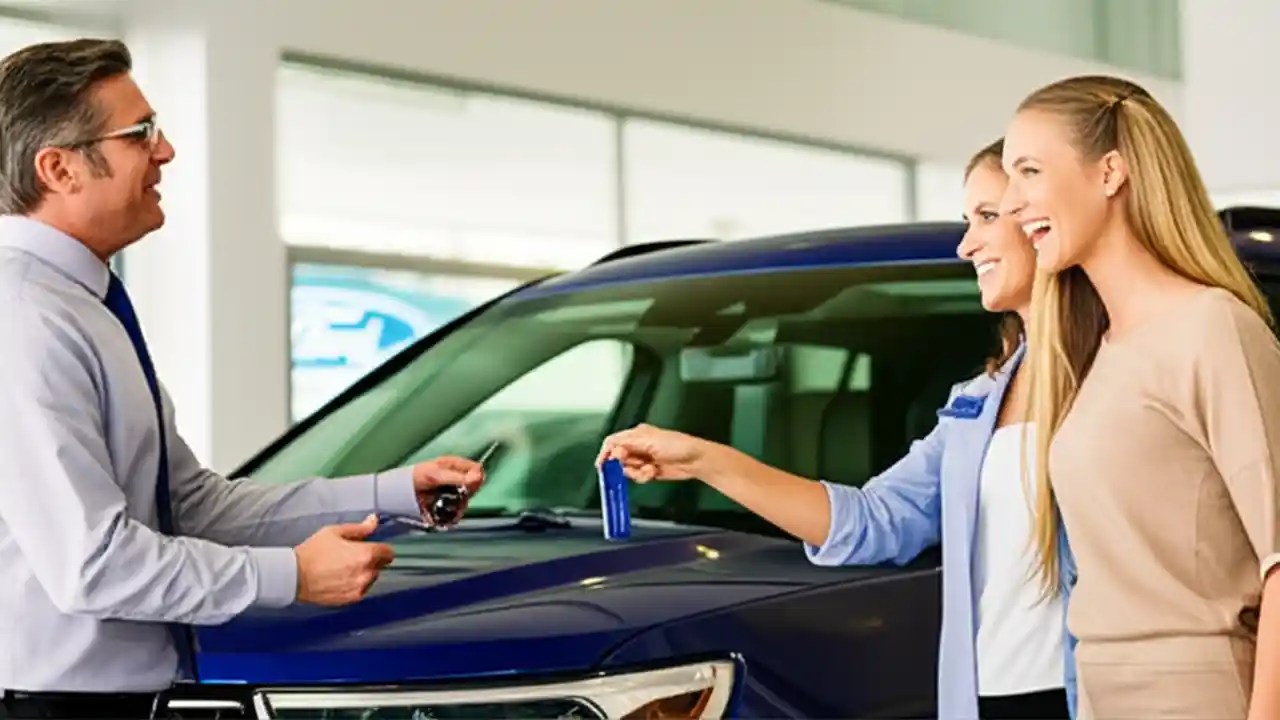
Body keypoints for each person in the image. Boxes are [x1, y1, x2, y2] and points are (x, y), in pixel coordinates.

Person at [0, 39, 486, 718]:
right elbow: (93, 563)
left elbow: (193, 508)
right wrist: (293, 576)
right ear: (59, 168)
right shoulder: (24, 316)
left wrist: (393, 492)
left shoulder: (81, 305)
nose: (165, 151)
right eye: (141, 134)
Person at [599, 139, 1077, 720]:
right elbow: (871, 522)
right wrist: (704, 461)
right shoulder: (976, 404)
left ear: (1043, 218)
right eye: (966, 220)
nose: (966, 243)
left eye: (986, 216)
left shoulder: (1123, 373)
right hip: (988, 702)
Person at [1000, 74, 1280, 719]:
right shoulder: (1095, 353)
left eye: (1030, 171)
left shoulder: (1212, 328)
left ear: (1110, 173)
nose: (1014, 203)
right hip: (1101, 691)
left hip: (1199, 695)